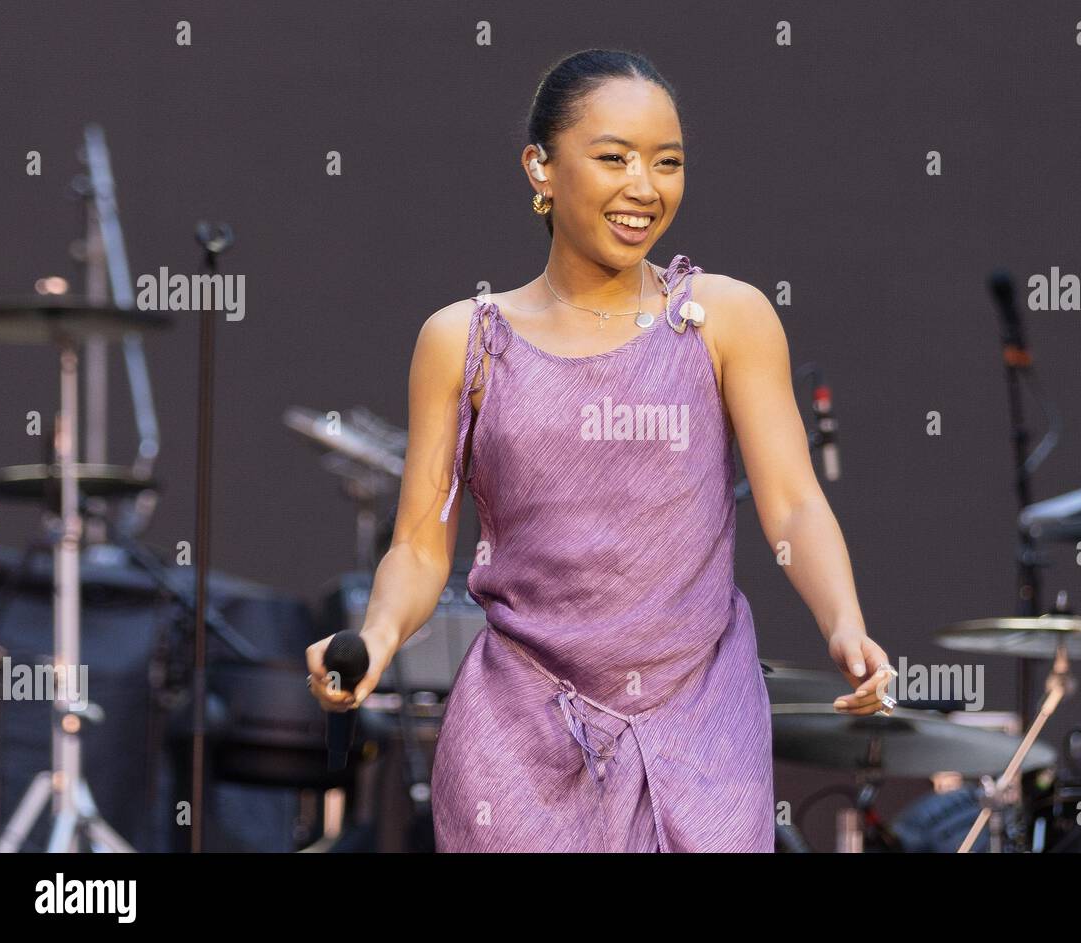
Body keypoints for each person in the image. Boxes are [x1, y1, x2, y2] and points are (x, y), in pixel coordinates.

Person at [306, 48, 889, 852]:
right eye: (613, 157)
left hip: (702, 723)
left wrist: (844, 620)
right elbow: (417, 543)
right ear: (539, 168)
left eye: (668, 162)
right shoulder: (464, 341)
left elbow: (792, 501)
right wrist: (373, 639)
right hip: (517, 739)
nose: (644, 187)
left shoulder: (726, 318)